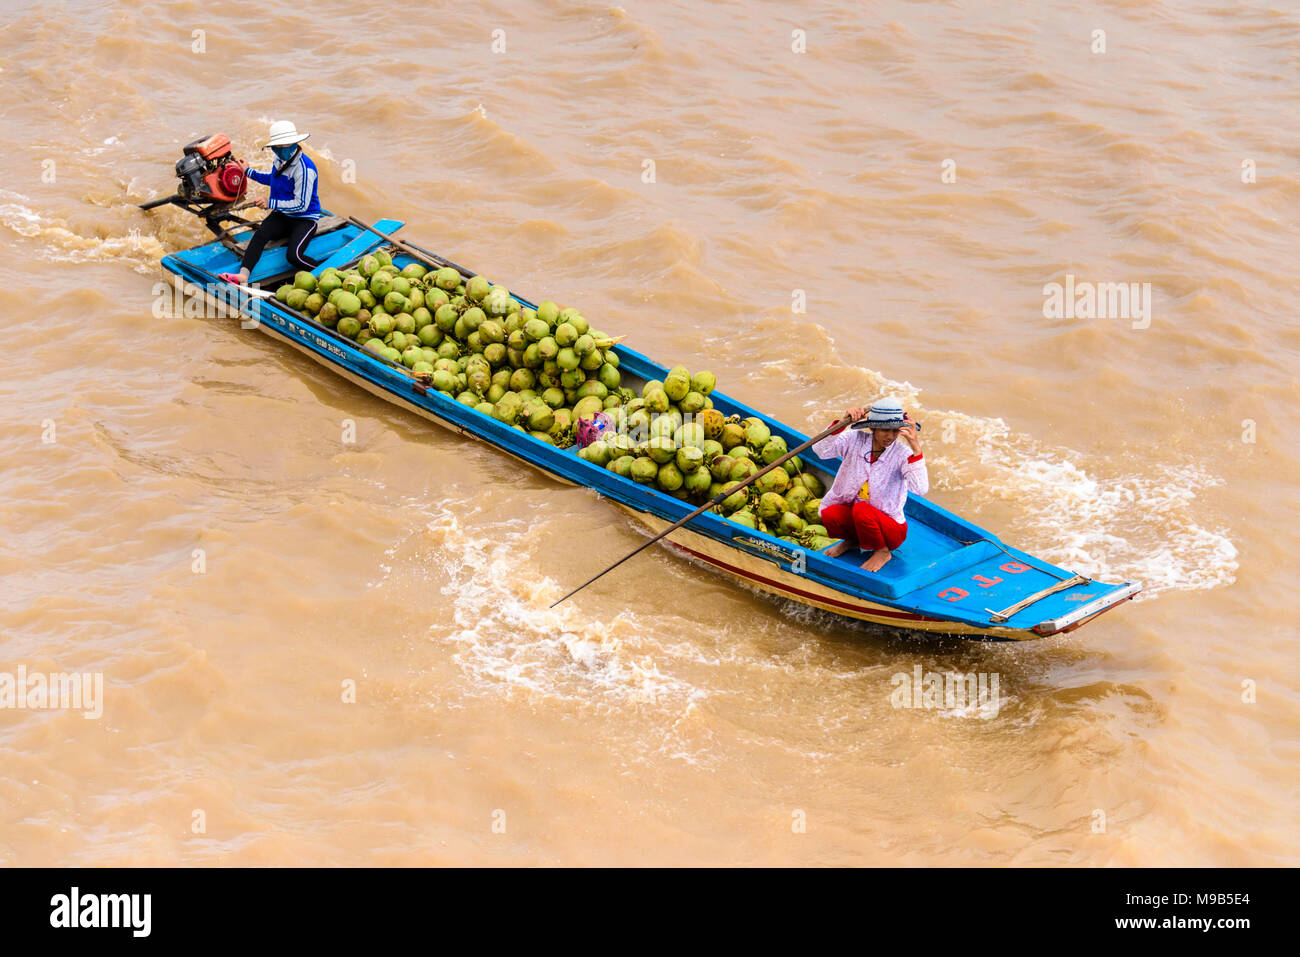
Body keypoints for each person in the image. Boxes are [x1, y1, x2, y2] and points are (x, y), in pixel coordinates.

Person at [812, 398, 928, 572]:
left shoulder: (902, 453)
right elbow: (821, 450)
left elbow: (920, 488)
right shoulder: (854, 439)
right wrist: (841, 424)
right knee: (830, 515)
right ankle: (853, 542)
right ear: (872, 428)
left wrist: (916, 448)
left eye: (895, 431)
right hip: (860, 520)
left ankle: (882, 552)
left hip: (890, 529)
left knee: (862, 509)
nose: (890, 436)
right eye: (885, 430)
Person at [218, 120, 321, 285]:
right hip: (283, 214)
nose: (278, 150)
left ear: (293, 143)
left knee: (293, 256)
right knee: (260, 235)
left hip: (304, 218)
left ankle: (323, 273)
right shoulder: (279, 160)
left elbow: (301, 204)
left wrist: (270, 203)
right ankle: (243, 275)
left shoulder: (305, 170)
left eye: (282, 146)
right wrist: (248, 172)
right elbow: (274, 180)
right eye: (277, 146)